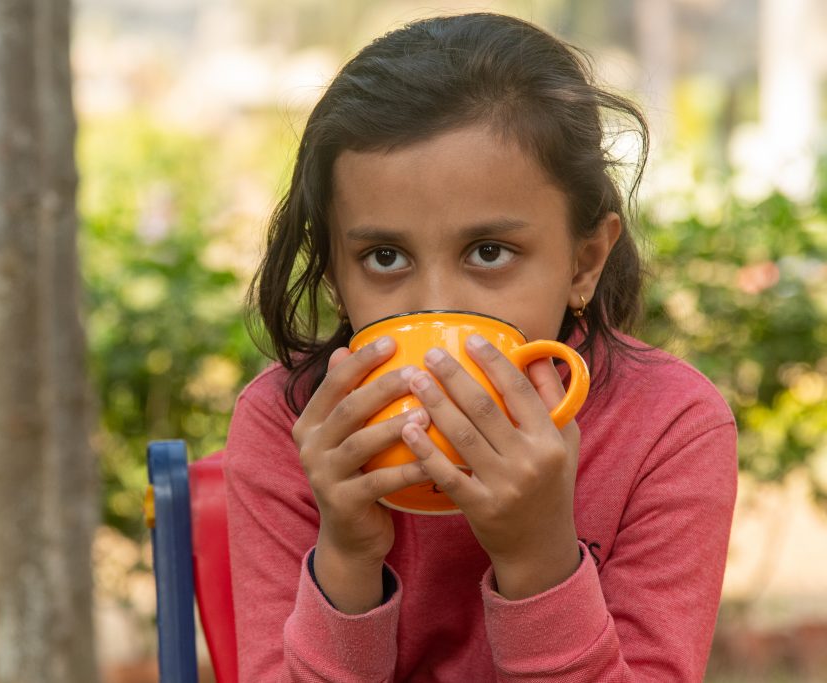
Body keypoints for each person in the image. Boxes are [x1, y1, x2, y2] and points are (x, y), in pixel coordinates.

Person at [223, 12, 737, 681]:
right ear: (334, 274)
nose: (436, 304)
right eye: (384, 256)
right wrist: (346, 557)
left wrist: (539, 560)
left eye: (489, 252)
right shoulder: (289, 427)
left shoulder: (669, 425)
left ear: (584, 261)